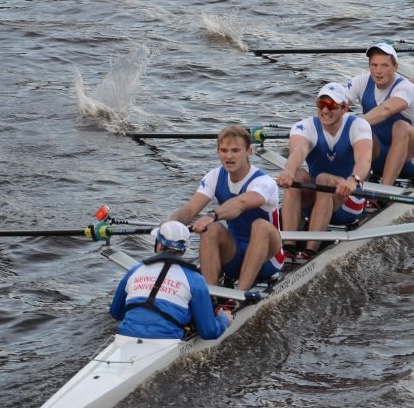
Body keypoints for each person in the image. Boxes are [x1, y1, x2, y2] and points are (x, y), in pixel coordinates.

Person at [170, 126, 284, 291]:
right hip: (234, 255)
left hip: (268, 260)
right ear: (218, 152)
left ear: (249, 151)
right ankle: (210, 298)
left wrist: (212, 215)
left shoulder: (264, 182)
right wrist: (171, 224)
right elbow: (189, 210)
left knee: (260, 225)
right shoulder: (214, 176)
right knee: (210, 229)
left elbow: (241, 203)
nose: (229, 156)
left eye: (235, 150)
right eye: (224, 150)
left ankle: (238, 298)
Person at [276, 82, 373, 263]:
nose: (325, 111)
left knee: (323, 178)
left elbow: (364, 159)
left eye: (332, 106)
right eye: (321, 104)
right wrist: (288, 171)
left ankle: (310, 251)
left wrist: (353, 180)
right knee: (297, 176)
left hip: (348, 201)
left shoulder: (358, 125)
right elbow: (298, 151)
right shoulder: (304, 126)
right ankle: (289, 247)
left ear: (344, 109)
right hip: (318, 198)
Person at [109, 221, 232, 340]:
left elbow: (116, 313)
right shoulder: (195, 279)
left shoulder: (135, 270)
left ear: (160, 245)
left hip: (126, 336)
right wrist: (223, 319)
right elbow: (208, 332)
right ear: (184, 249)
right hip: (167, 340)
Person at [344, 42, 414, 185]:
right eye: (374, 65)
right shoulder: (361, 81)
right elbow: (338, 103)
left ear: (395, 67)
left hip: (411, 160)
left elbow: (386, 110)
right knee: (347, 120)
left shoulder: (406, 87)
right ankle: (353, 186)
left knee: (400, 126)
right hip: (379, 157)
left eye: (385, 65)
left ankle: (384, 191)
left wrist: (354, 125)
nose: (378, 71)